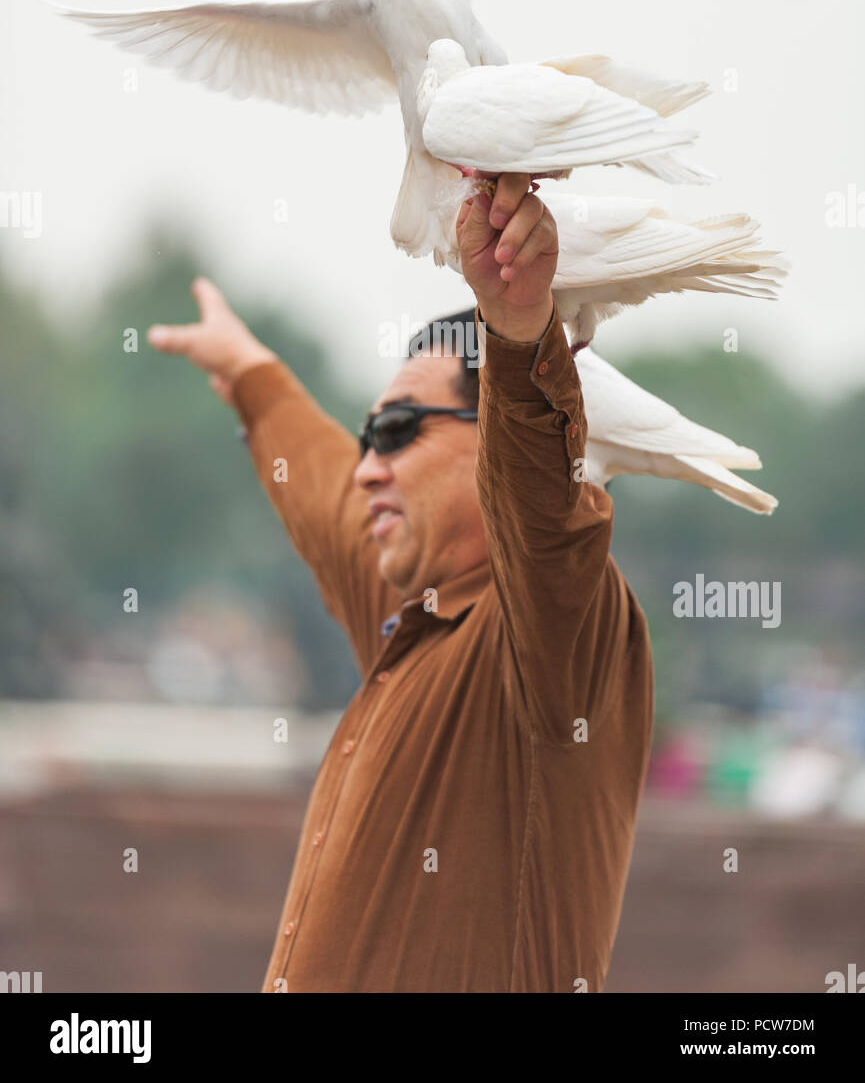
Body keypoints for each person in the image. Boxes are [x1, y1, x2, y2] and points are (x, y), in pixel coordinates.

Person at [147, 174, 654, 993]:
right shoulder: (419, 623)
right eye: (364, 438)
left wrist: (518, 333)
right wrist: (252, 375)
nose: (366, 469)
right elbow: (329, 502)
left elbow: (543, 506)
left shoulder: (556, 627)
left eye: (393, 432)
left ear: (490, 429)